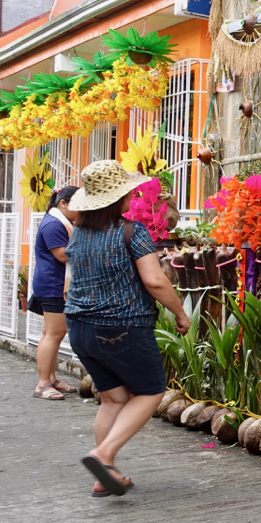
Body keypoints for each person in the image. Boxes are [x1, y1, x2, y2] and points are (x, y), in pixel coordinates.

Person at [65, 160, 190, 497]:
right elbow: (155, 281)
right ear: (117, 198)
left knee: (113, 399)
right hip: (121, 328)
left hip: (79, 327)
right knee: (151, 391)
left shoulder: (78, 233)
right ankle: (102, 455)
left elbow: (72, 281)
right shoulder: (131, 232)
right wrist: (180, 314)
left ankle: (105, 474)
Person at [29, 185, 79, 400]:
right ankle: (42, 384)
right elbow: (62, 255)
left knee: (50, 334)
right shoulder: (53, 224)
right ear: (63, 203)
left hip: (52, 283)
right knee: (54, 334)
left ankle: (51, 379)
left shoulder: (59, 221)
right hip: (53, 286)